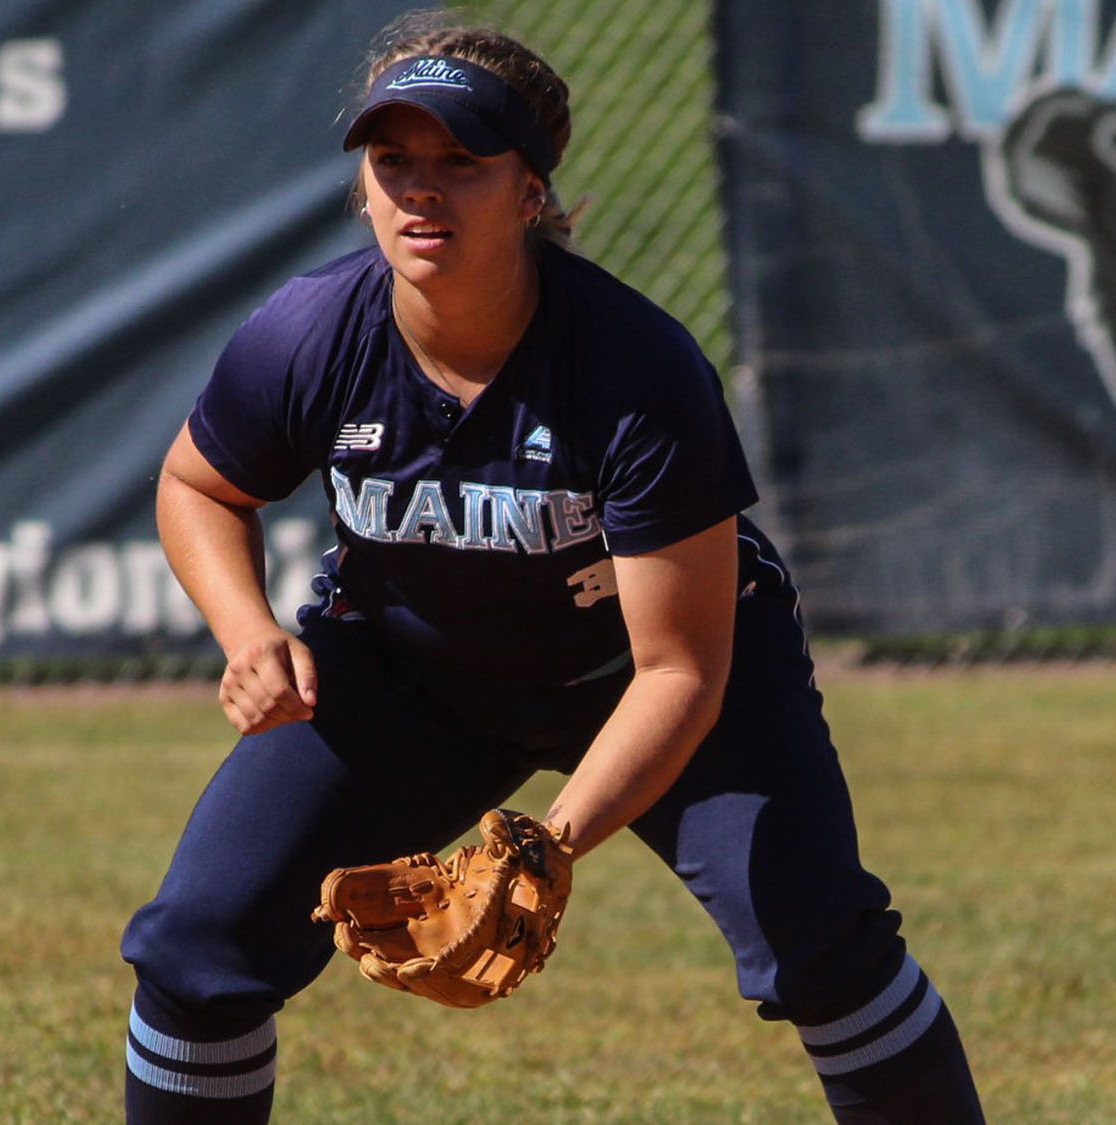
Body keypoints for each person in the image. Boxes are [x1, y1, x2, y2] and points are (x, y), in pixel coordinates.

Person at [118, 14, 986, 1124]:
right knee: (199, 943)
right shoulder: (308, 333)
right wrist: (250, 635)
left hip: (650, 682)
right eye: (394, 164)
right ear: (362, 188)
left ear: (531, 193)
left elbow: (679, 670)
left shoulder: (632, 370)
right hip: (408, 676)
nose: (420, 192)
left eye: (461, 165)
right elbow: (199, 486)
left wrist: (546, 844)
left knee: (820, 944)